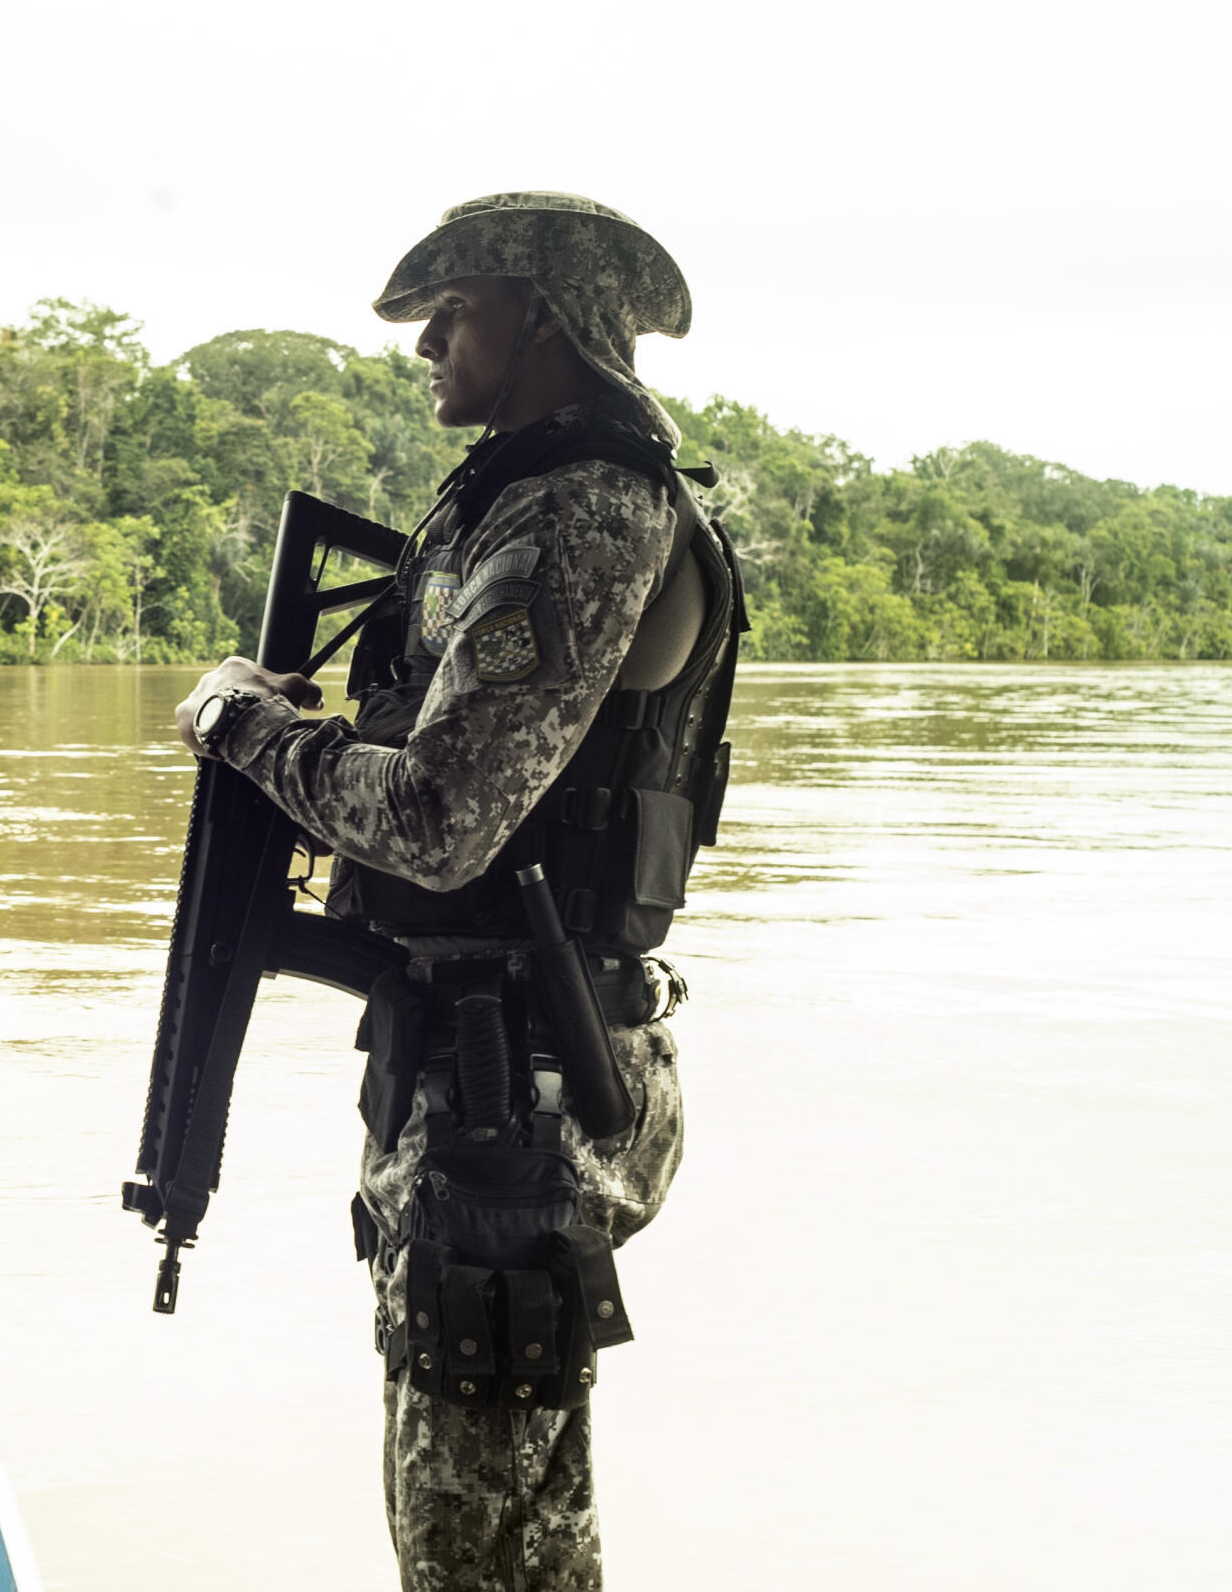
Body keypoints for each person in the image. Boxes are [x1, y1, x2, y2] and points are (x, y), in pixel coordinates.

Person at [172, 193, 741, 1591]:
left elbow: (440, 823)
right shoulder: (525, 499)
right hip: (500, 1065)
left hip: (518, 1094)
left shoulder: (582, 512)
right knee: (504, 1543)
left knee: (476, 1559)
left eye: (454, 310)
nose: (426, 342)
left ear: (543, 317)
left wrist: (244, 727)